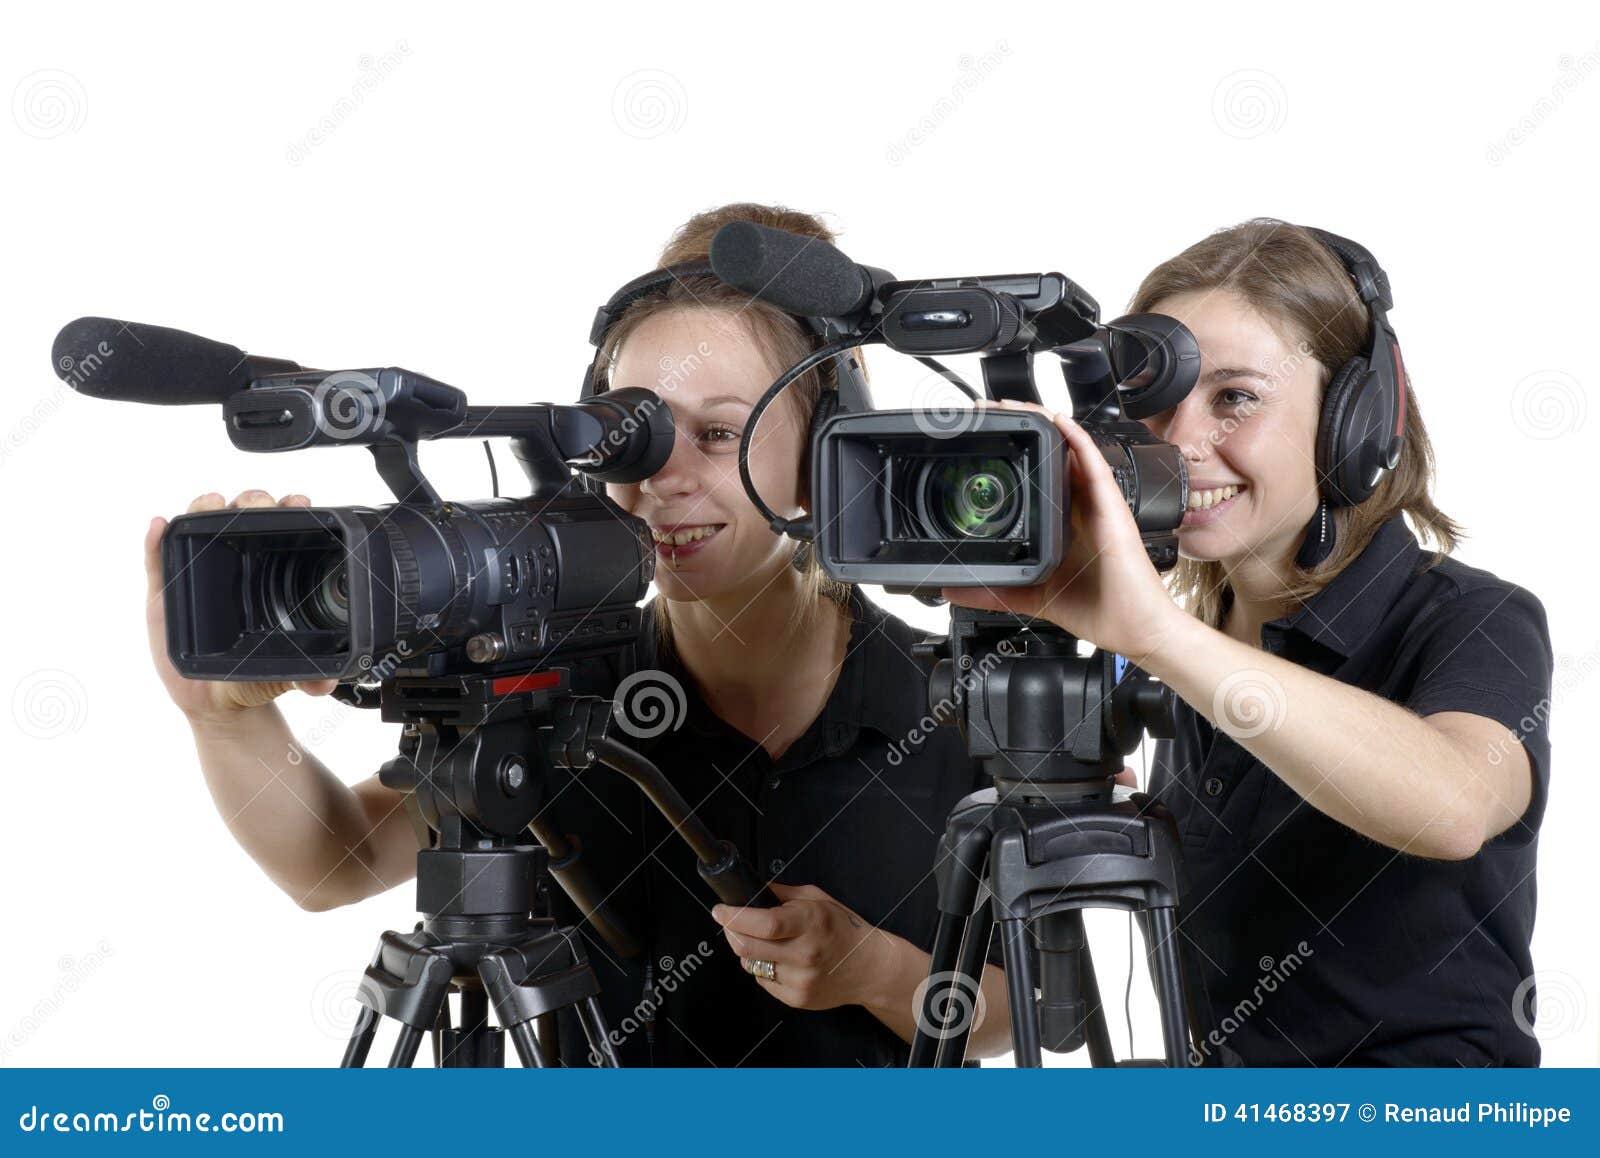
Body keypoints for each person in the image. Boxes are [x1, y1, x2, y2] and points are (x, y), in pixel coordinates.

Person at [143, 202, 1010, 1067]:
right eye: (634, 437)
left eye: (716, 435)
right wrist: (226, 722)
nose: (665, 479)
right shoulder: (549, 680)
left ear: (831, 451)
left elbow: (1046, 1013)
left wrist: (876, 971)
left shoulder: (961, 697)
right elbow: (335, 860)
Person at [945, 219, 1553, 1066]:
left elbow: (1454, 805)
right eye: (1154, 399)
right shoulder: (1201, 640)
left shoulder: (1472, 617)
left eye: (1235, 398)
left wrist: (1157, 637)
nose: (1180, 442)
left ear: (1353, 419)